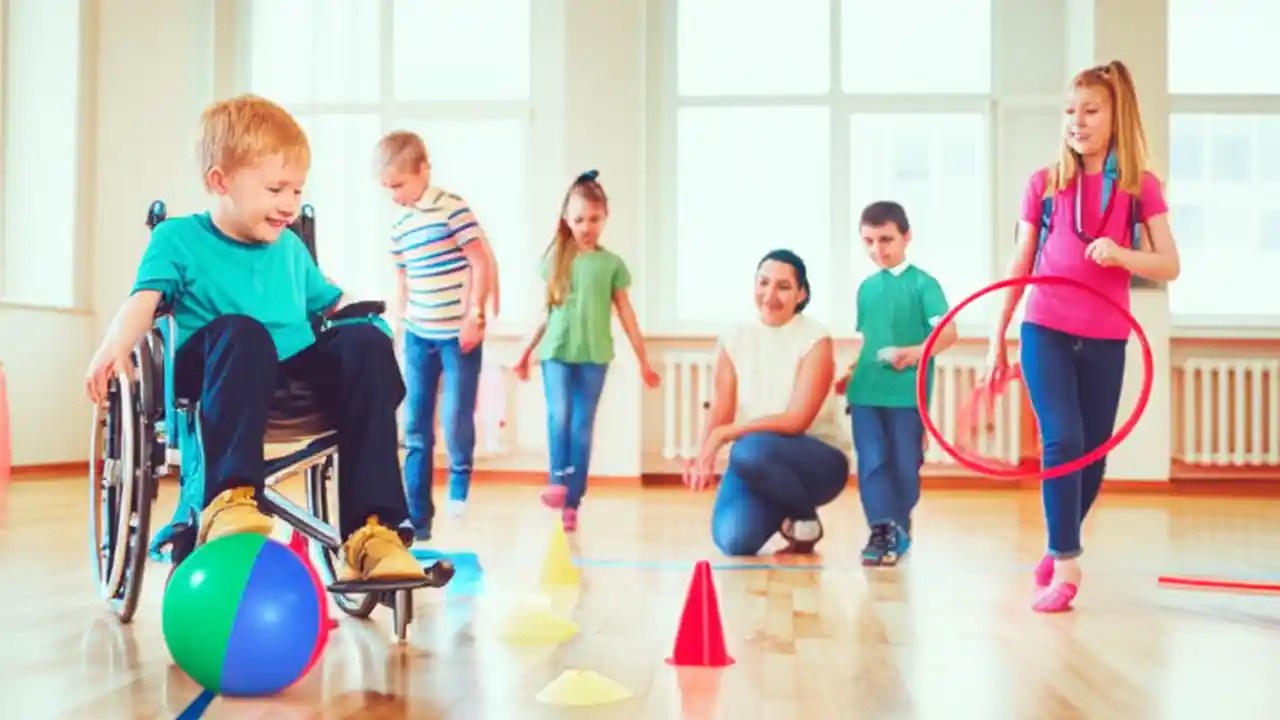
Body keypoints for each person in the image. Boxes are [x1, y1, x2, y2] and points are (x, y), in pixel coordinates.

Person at [84, 94, 424, 582]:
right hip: (220, 377)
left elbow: (332, 301)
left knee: (364, 341)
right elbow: (143, 301)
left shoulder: (289, 247)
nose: (289, 205)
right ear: (219, 181)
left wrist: (370, 326)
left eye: (296, 190)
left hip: (294, 381)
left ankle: (372, 532)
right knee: (245, 333)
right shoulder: (177, 239)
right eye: (275, 188)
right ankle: (230, 500)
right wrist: (113, 348)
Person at [987, 60, 1180, 613]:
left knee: (1092, 457)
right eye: (1070, 111)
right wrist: (999, 336)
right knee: (1063, 441)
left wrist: (1122, 254)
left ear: (1117, 115)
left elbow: (1169, 264)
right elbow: (1021, 261)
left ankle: (1059, 542)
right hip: (1044, 327)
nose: (1077, 121)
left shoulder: (1140, 187)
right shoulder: (1045, 183)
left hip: (1104, 337)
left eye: (1091, 110)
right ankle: (1066, 566)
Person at [512, 170, 660, 532]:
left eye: (594, 219)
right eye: (579, 219)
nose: (586, 226)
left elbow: (626, 314)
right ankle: (557, 483)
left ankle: (572, 500)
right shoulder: (556, 259)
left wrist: (643, 361)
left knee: (581, 426)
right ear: (567, 219)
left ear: (604, 218)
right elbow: (545, 312)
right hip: (557, 352)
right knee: (559, 414)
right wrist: (524, 353)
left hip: (595, 355)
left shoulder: (611, 265)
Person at [377, 131, 500, 540]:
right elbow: (402, 277)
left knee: (456, 417)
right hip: (418, 335)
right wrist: (396, 323)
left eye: (399, 184)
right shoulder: (399, 224)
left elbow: (480, 261)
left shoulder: (452, 210)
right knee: (414, 427)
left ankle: (461, 481)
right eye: (387, 187)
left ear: (423, 171)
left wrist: (475, 315)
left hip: (457, 335)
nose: (393, 194)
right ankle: (417, 519)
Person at [684, 249, 849, 556]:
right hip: (756, 461)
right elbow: (722, 411)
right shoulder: (733, 336)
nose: (770, 295)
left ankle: (803, 517)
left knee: (749, 448)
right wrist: (702, 454)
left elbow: (797, 419)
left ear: (801, 294)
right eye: (763, 283)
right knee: (734, 540)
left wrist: (726, 435)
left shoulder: (816, 339)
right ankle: (788, 510)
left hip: (818, 462)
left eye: (783, 287)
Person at [836, 201, 958, 567]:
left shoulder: (924, 285)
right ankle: (881, 529)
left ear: (907, 236)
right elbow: (870, 340)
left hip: (907, 396)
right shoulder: (866, 289)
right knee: (872, 462)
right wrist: (851, 371)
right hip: (866, 394)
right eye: (868, 241)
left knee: (905, 464)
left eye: (886, 239)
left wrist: (917, 352)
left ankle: (898, 527)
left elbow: (948, 332)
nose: (878, 250)